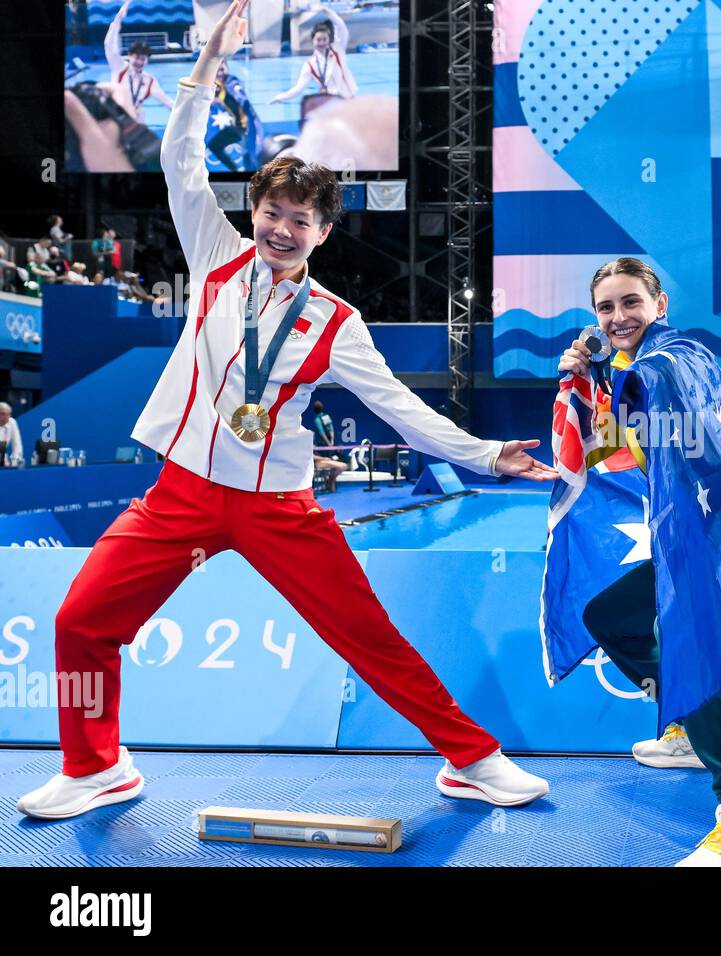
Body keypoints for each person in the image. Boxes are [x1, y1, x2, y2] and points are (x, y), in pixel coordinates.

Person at [17, 1, 559, 822]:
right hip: (182, 496)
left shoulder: (336, 322)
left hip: (279, 509)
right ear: (257, 213)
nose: (279, 229)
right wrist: (207, 63)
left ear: (321, 232)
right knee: (79, 622)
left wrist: (486, 456)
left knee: (368, 636)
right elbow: (178, 158)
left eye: (298, 221)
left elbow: (400, 409)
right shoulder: (214, 257)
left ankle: (470, 757)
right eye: (271, 213)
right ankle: (95, 766)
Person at [550, 258, 721, 866]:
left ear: (660, 305)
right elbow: (613, 452)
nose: (618, 317)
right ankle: (688, 725)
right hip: (688, 539)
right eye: (606, 308)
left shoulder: (674, 359)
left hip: (720, 531)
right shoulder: (629, 370)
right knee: (609, 618)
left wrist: (606, 373)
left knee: (693, 648)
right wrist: (586, 378)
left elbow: (679, 411)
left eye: (630, 303)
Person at [269, 4, 359, 105]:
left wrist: (327, 12)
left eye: (324, 39)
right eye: (318, 40)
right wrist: (280, 98)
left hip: (349, 99)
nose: (321, 43)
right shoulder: (310, 65)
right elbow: (299, 88)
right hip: (330, 103)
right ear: (313, 40)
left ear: (329, 40)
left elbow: (342, 27)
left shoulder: (337, 50)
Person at [104, 0, 174, 122]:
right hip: (115, 117)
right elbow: (109, 46)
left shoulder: (150, 81)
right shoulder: (120, 68)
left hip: (135, 119)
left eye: (143, 59)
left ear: (147, 61)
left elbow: (168, 102)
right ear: (129, 56)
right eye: (136, 57)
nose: (139, 62)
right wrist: (117, 21)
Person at [0, 403, 22, 468]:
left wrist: (14, 462)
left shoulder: (12, 422)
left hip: (4, 461)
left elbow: (17, 444)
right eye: (3, 414)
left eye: (8, 414)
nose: (6, 417)